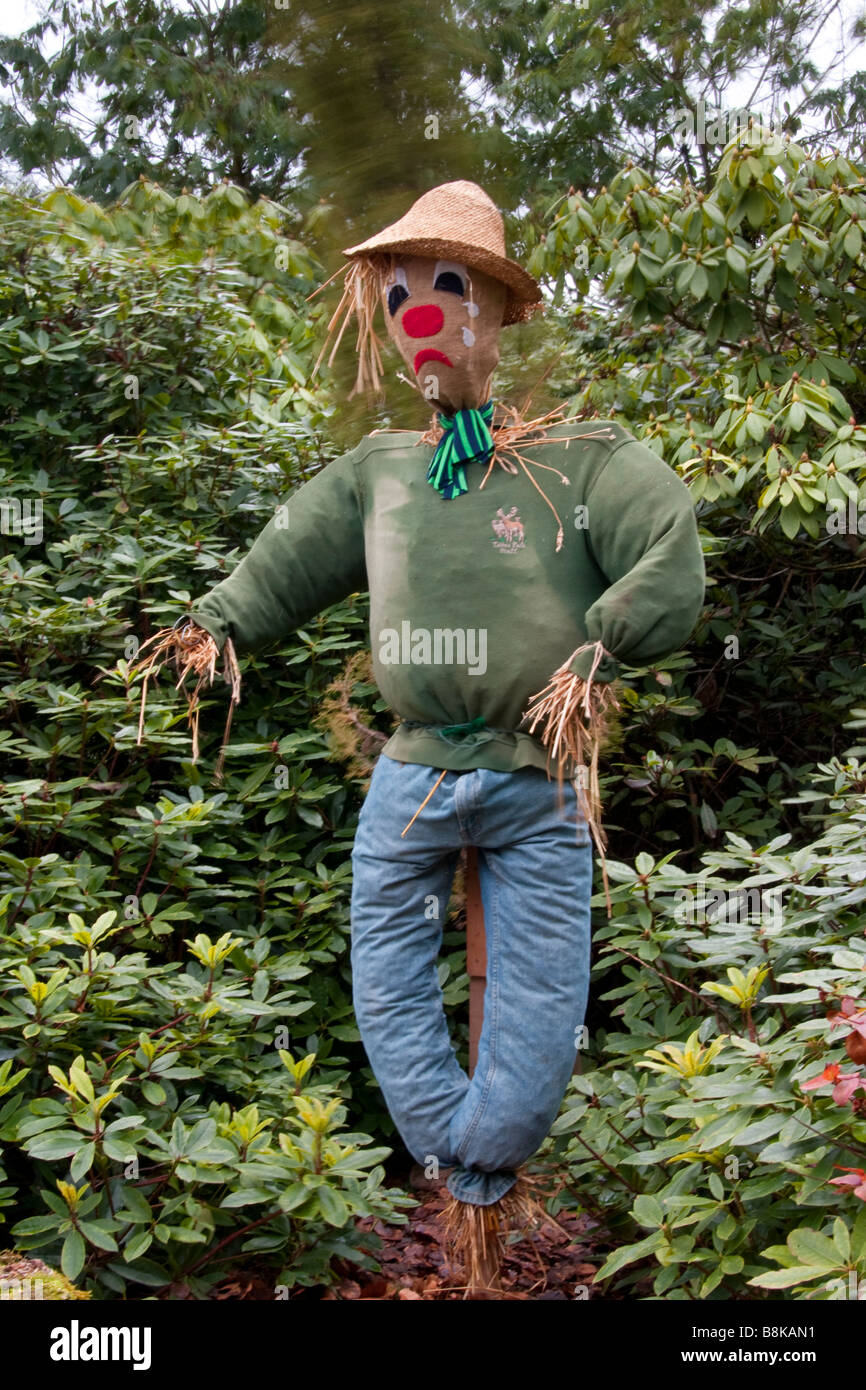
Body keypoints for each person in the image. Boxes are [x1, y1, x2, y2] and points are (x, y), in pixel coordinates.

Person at [138, 181, 705, 1294]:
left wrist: (603, 643)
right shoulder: (381, 474)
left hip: (534, 777)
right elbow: (284, 561)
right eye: (398, 292)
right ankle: (456, 1159)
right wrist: (214, 626)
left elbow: (668, 546)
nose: (419, 311)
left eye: (444, 287)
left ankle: (484, 1163)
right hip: (408, 775)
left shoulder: (578, 463)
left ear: (491, 310)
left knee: (540, 1000)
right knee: (385, 974)